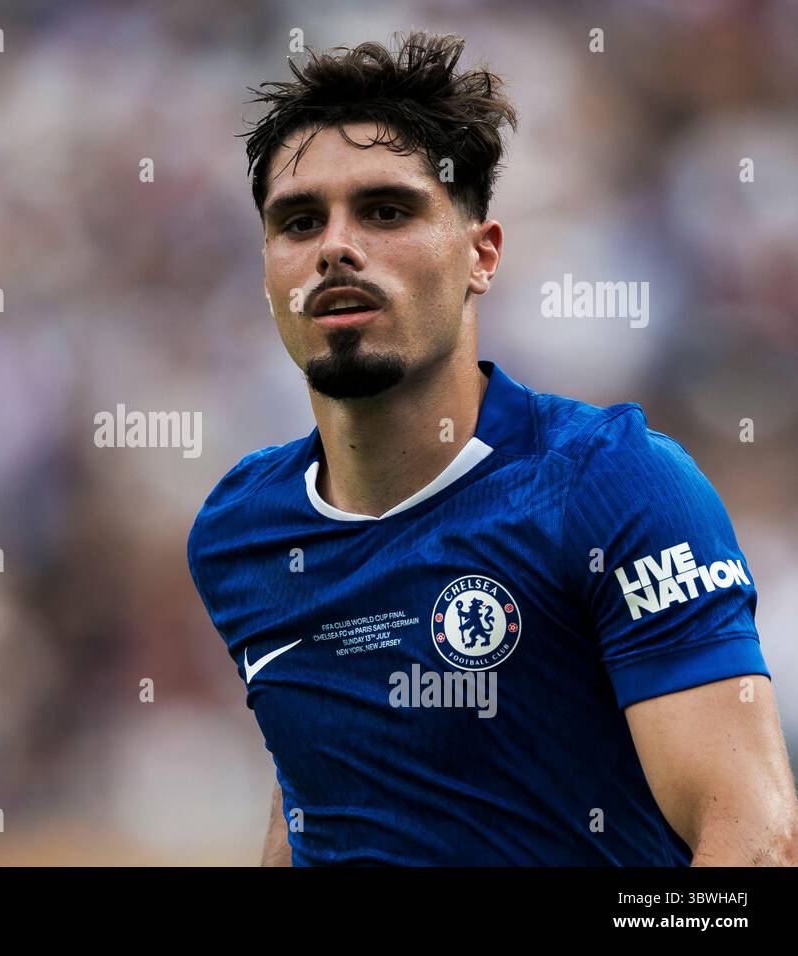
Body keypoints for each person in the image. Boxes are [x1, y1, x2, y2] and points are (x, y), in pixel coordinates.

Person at [186, 31, 798, 865]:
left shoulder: (611, 485)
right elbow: (312, 800)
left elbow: (755, 840)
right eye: (299, 221)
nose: (336, 244)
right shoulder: (241, 531)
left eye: (386, 210)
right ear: (269, 271)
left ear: (481, 255)